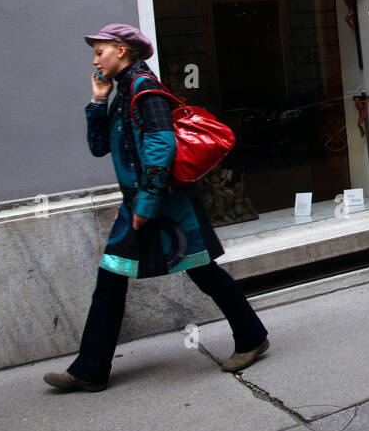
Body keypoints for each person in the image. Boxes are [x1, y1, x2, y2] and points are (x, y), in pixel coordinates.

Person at [44, 23, 268, 391]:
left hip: (163, 205)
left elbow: (161, 146)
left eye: (100, 51)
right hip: (142, 203)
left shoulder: (144, 89)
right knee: (113, 278)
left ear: (121, 50)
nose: (95, 59)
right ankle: (90, 370)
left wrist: (146, 204)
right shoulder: (122, 90)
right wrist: (98, 100)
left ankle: (251, 338)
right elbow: (99, 147)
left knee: (202, 273)